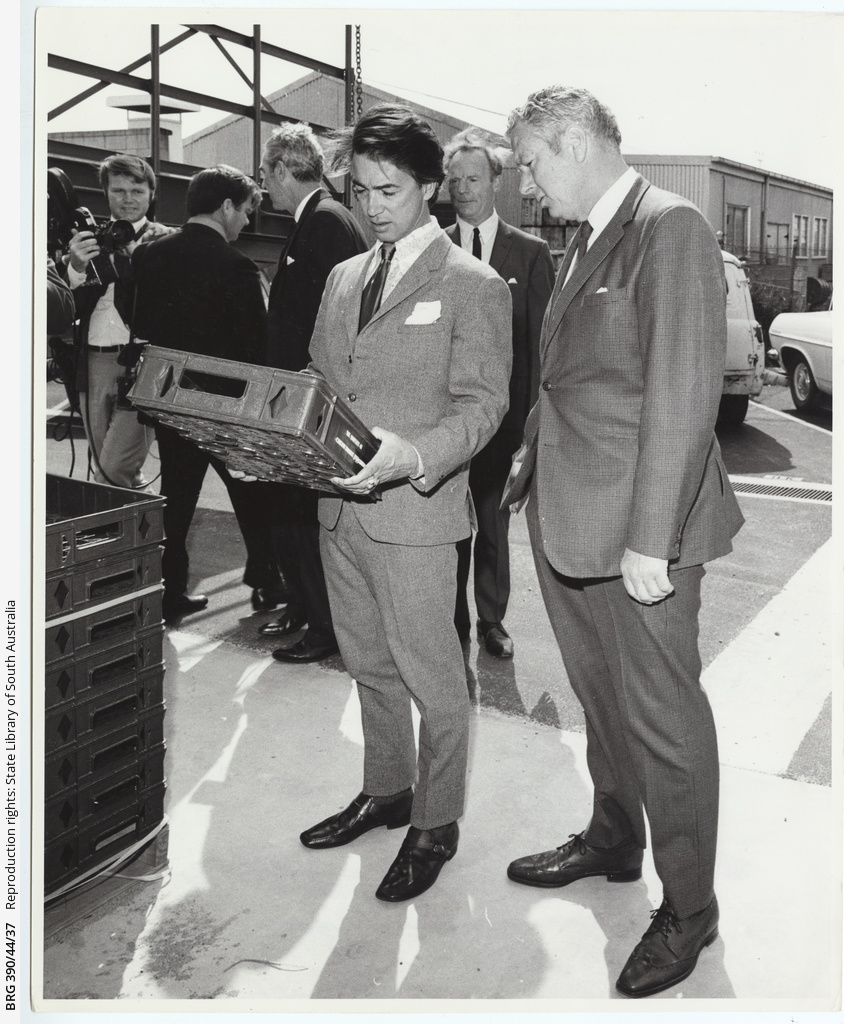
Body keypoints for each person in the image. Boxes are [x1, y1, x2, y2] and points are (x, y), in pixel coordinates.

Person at [503, 86, 744, 997]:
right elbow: (571, 377)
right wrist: (529, 457)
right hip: (572, 516)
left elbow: (683, 393)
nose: (526, 183)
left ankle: (690, 906)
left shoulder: (667, 228)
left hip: (643, 532)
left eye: (530, 160)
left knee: (664, 718)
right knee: (601, 695)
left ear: (572, 143)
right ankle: (613, 836)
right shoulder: (587, 237)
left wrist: (652, 539)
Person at [300, 104, 512, 902]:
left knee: (434, 677)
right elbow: (320, 380)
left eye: (389, 189)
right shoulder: (344, 276)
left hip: (417, 514)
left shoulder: (473, 284)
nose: (372, 205)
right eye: (359, 190)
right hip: (338, 507)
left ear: (431, 187)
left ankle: (437, 821)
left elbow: (484, 405)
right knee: (368, 663)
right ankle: (387, 789)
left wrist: (414, 455)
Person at [132, 165, 273, 623]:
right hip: (225, 409)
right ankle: (268, 584)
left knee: (175, 503)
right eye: (246, 211)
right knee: (252, 497)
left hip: (172, 400)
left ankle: (170, 593)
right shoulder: (238, 266)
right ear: (226, 206)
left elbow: (140, 325)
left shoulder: (149, 255)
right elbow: (256, 347)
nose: (247, 222)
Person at [255, 123, 369, 662]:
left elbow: (339, 320)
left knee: (306, 516)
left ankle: (325, 630)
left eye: (265, 174)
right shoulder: (316, 220)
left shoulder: (325, 222)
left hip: (309, 397)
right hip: (297, 392)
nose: (262, 188)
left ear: (283, 168)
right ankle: (305, 609)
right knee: (291, 513)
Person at [444, 128, 555, 658]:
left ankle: (491, 620)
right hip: (444, 418)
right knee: (447, 526)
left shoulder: (529, 254)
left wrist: (531, 431)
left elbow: (541, 346)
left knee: (491, 523)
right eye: (455, 179)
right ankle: (452, 622)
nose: (464, 188)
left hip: (504, 420)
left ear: (495, 179)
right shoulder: (432, 248)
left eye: (473, 177)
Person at [64, 154, 164, 489]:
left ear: (152, 192)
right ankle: (140, 536)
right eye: (118, 190)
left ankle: (120, 535)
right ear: (105, 193)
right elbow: (64, 308)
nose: (127, 199)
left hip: (142, 362)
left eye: (137, 190)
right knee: (107, 465)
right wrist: (75, 267)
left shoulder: (165, 239)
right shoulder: (86, 240)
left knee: (113, 468)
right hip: (90, 361)